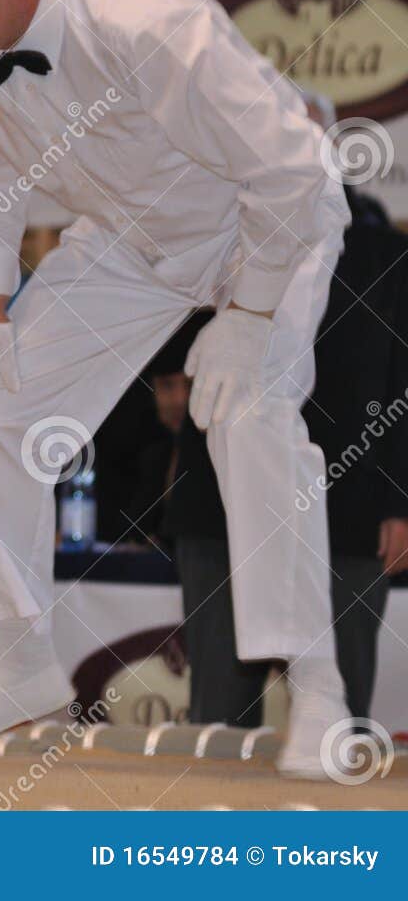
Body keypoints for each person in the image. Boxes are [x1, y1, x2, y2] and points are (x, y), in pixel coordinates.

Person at [0, 0, 350, 777]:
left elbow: (293, 175)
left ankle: (323, 691)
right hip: (129, 242)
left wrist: (250, 311)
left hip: (263, 224)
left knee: (247, 413)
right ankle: (23, 657)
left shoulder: (148, 24)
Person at [165, 186, 408, 725]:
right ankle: (212, 811)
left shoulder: (387, 255)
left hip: (347, 504)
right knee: (219, 717)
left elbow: (403, 382)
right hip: (220, 502)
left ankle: (332, 797)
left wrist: (399, 502)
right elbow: (177, 354)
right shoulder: (221, 230)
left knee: (335, 712)